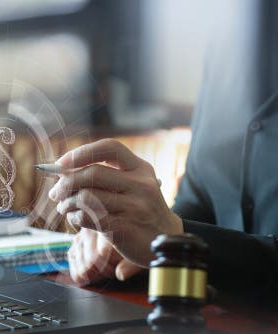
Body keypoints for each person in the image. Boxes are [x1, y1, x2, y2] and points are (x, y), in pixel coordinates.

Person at [50, 3, 278, 302]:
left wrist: (173, 236)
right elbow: (200, 202)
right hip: (213, 328)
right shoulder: (225, 44)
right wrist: (128, 238)